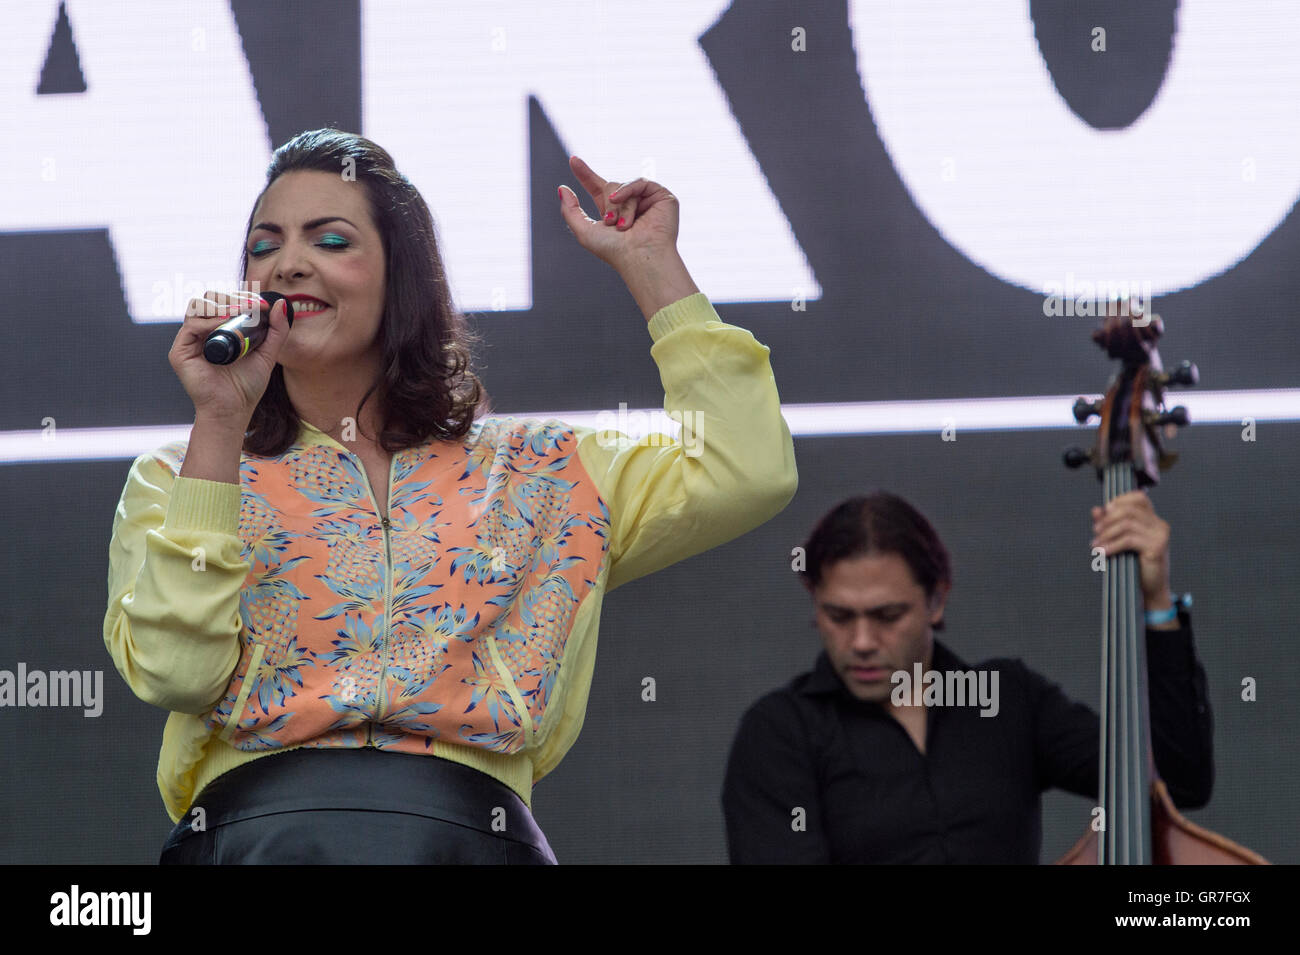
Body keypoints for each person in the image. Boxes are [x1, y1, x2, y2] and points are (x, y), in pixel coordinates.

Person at [103, 128, 797, 864]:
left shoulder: (546, 468)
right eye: (264, 246)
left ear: (400, 273)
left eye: (330, 240)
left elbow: (748, 466)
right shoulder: (181, 473)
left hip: (468, 842)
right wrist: (220, 421)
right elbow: (176, 672)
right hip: (256, 844)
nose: (289, 265)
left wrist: (652, 264)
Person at [721, 490, 1211, 864]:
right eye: (838, 616)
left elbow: (1177, 779)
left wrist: (1156, 604)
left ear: (937, 600)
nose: (862, 641)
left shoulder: (1008, 700)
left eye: (888, 615)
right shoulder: (781, 731)